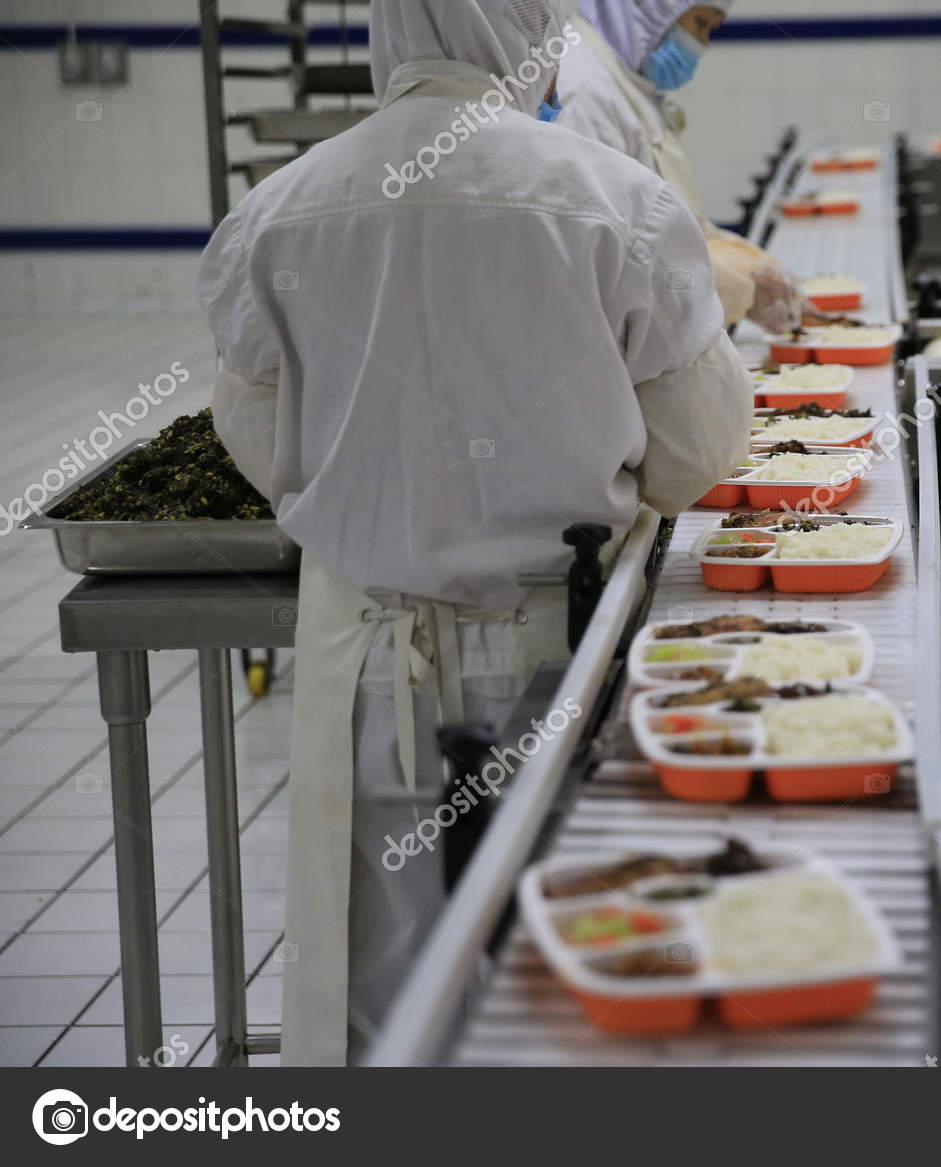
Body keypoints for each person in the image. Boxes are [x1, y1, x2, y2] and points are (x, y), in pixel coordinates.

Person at [197, 0, 750, 1065]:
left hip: (371, 661)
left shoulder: (279, 213)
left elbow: (264, 442)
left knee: (393, 973)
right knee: (572, 961)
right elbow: (693, 454)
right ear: (529, 31)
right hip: (565, 652)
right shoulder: (607, 199)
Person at [557, 1, 802, 333]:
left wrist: (753, 264)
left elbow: (675, 224)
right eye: (701, 24)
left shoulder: (627, 84)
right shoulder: (583, 93)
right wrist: (742, 291)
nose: (702, 44)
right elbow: (613, 263)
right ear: (648, 10)